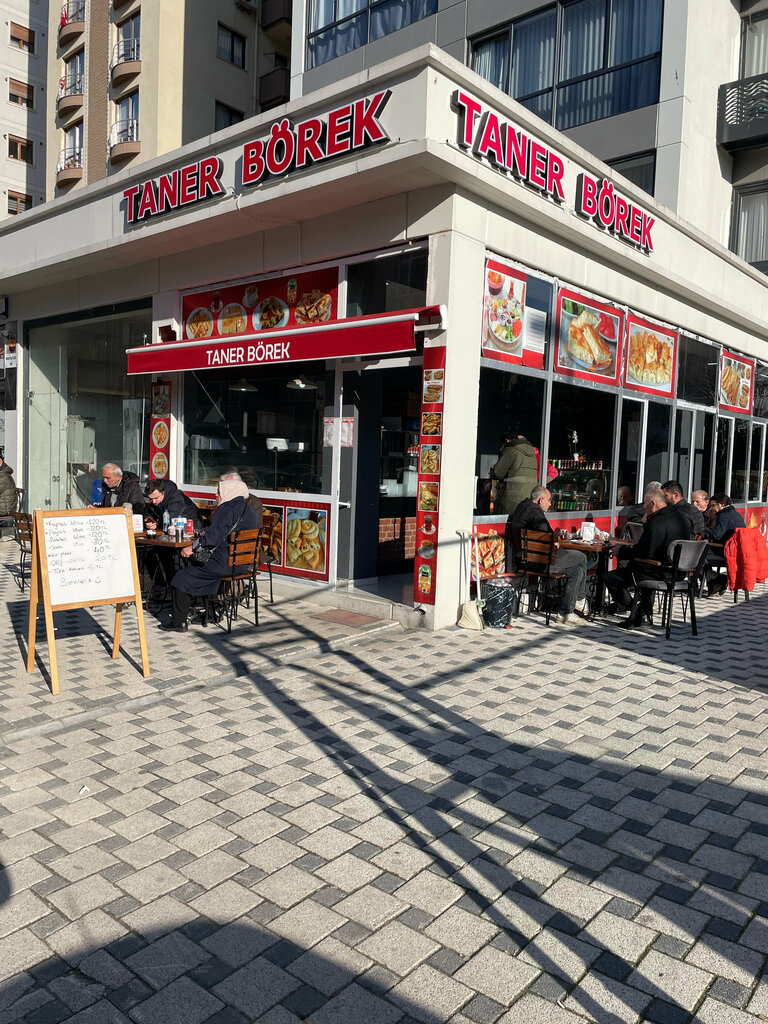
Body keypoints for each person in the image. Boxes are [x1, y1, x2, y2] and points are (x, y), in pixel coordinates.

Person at [161, 477, 260, 632]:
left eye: (219, 492)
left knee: (181, 577)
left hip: (224, 564)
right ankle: (212, 613)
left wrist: (192, 548)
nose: (216, 495)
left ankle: (178, 622)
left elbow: (213, 537)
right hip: (241, 564)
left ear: (229, 492)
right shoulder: (250, 510)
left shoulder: (226, 507)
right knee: (200, 570)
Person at [603, 487, 690, 629]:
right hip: (679, 571)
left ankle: (636, 610)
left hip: (658, 571)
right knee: (636, 568)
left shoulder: (657, 523)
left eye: (645, 503)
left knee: (611, 576)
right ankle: (642, 611)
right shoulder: (681, 518)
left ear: (653, 503)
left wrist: (620, 551)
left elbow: (643, 552)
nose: (643, 506)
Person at [508, 485, 588, 625]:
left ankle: (566, 613)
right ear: (541, 499)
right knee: (582, 557)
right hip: (539, 561)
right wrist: (556, 541)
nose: (550, 504)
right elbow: (549, 537)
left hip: (525, 559)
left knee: (576, 571)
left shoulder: (522, 507)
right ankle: (579, 601)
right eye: (549, 500)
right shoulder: (536, 514)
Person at [702, 492, 746, 596]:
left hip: (726, 552)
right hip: (737, 552)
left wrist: (704, 529)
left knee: (697, 557)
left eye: (713, 505)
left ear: (721, 504)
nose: (711, 508)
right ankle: (715, 583)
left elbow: (716, 535)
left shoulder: (724, 515)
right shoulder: (735, 513)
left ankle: (719, 579)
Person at [490, 430, 539, 515]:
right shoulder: (532, 453)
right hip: (529, 497)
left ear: (507, 440)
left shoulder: (510, 449)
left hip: (512, 497)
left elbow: (498, 473)